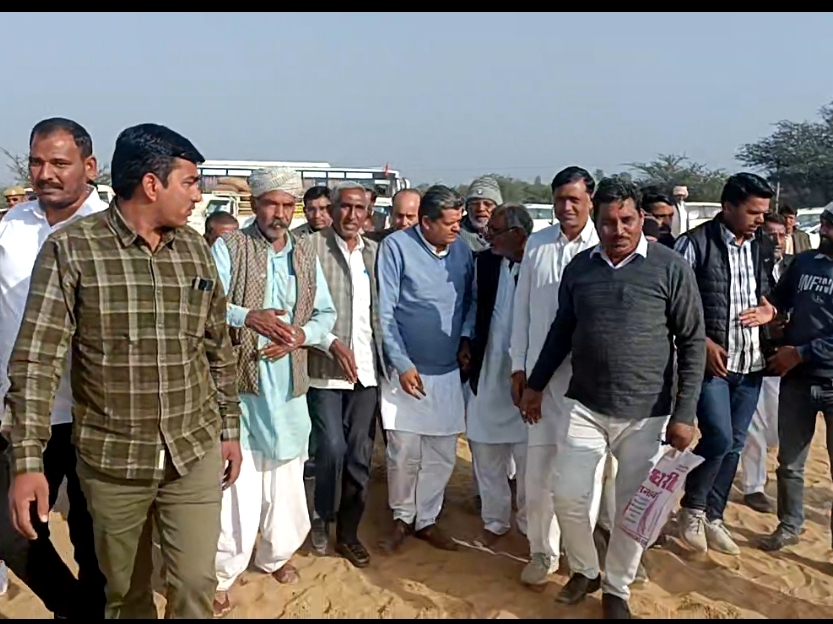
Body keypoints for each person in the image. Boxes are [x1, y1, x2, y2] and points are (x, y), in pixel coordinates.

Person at [7, 122, 242, 619]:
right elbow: (37, 359)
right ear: (152, 185)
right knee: (125, 595)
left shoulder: (196, 250)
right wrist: (28, 461)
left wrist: (228, 428)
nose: (198, 196)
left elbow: (217, 347)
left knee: (196, 584)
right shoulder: (73, 250)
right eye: (190, 182)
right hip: (114, 461)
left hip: (192, 450)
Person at [520, 176, 704, 619]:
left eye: (626, 220)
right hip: (586, 405)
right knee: (566, 494)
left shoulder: (670, 267)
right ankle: (586, 568)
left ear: (642, 218)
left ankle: (617, 588)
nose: (617, 230)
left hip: (647, 414)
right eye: (607, 222)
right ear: (595, 222)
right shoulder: (580, 269)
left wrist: (684, 413)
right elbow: (561, 331)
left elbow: (693, 341)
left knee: (630, 508)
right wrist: (536, 382)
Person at [211, 167, 336, 615]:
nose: (279, 214)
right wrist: (250, 317)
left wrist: (299, 336)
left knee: (285, 480)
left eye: (287, 206)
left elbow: (325, 314)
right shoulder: (231, 247)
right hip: (241, 390)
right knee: (238, 488)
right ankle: (223, 574)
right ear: (255, 205)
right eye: (271, 204)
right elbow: (207, 305)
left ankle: (275, 556)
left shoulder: (304, 253)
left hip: (289, 389)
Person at [0, 117, 107, 619]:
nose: (45, 173)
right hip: (24, 415)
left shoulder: (113, 231)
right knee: (13, 530)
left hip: (94, 416)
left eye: (59, 163)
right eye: (37, 162)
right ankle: (74, 609)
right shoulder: (11, 227)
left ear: (89, 166)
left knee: (94, 541)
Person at [509, 166, 604, 589]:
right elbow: (522, 311)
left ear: (590, 201)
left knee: (587, 472)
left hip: (589, 383)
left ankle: (577, 552)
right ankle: (541, 551)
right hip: (540, 384)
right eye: (561, 199)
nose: (567, 207)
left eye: (575, 200)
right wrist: (519, 367)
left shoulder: (605, 247)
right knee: (538, 469)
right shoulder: (538, 245)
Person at [674, 172, 777, 555]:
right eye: (753, 211)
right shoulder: (695, 244)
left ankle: (713, 516)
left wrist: (770, 311)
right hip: (711, 365)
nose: (760, 219)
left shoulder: (761, 245)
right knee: (716, 436)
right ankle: (693, 507)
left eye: (764, 213)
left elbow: (768, 293)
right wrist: (701, 341)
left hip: (751, 362)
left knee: (734, 443)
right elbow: (675, 303)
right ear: (728, 207)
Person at [377, 184, 474, 553]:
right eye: (449, 223)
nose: (456, 229)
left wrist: (465, 337)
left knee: (442, 452)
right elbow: (384, 312)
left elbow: (471, 301)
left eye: (458, 222)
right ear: (426, 221)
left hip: (447, 370)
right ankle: (402, 517)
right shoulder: (396, 248)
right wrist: (400, 362)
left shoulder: (462, 250)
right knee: (403, 451)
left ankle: (427, 518)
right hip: (406, 371)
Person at [306, 182, 383, 568]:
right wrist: (331, 342)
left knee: (359, 455)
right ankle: (322, 515)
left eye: (360, 208)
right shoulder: (310, 248)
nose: (352, 215)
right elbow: (300, 306)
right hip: (324, 370)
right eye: (345, 207)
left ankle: (348, 533)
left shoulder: (374, 253)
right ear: (332, 209)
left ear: (369, 212)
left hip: (366, 372)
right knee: (331, 449)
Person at [757, 204, 833, 551]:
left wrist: (801, 351)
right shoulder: (804, 263)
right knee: (790, 463)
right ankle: (789, 525)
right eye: (826, 225)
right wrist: (769, 313)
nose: (827, 232)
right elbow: (778, 300)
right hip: (797, 381)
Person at [465, 203, 532, 547]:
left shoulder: (540, 263)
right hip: (487, 370)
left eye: (495, 232)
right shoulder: (485, 263)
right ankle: (494, 521)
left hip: (528, 380)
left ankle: (528, 523)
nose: (487, 236)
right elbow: (475, 305)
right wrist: (466, 338)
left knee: (528, 462)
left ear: (518, 235)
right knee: (485, 451)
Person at [740, 213, 793, 514]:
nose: (775, 240)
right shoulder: (750, 269)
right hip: (755, 353)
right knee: (754, 428)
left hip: (785, 358)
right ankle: (753, 486)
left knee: (775, 430)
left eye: (780, 235)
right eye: (769, 234)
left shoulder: (794, 270)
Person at [459, 175, 502, 252]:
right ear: (467, 208)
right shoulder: (455, 236)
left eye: (487, 204)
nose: (480, 209)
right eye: (474, 204)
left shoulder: (508, 235)